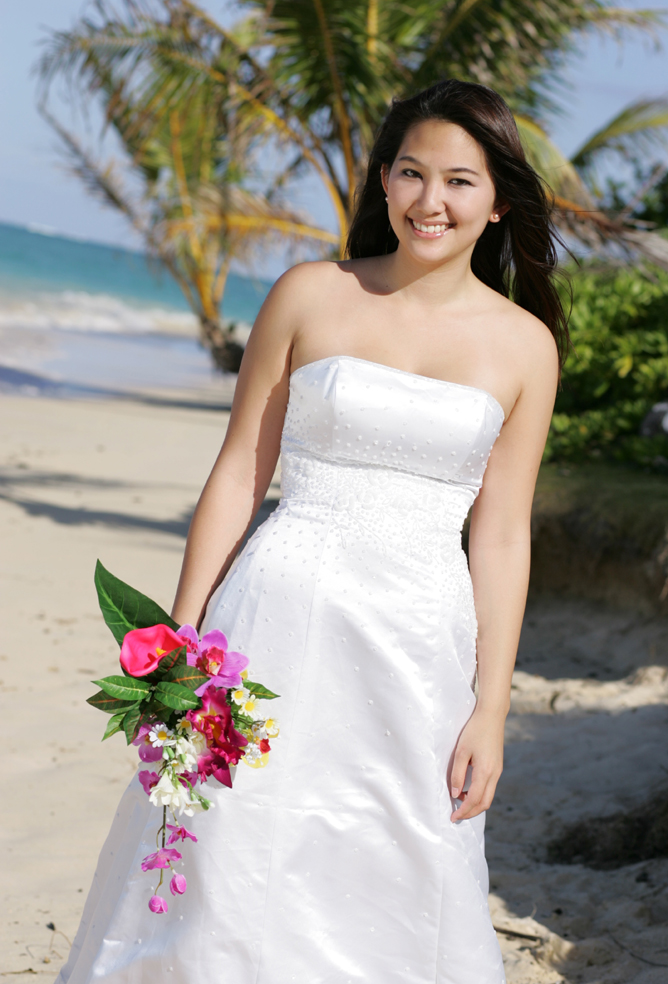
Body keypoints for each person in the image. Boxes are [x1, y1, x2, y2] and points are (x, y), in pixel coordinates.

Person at [56, 79, 567, 984]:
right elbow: (238, 475)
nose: (430, 201)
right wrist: (175, 640)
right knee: (230, 844)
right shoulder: (308, 293)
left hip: (419, 636)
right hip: (276, 614)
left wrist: (491, 705)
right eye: (410, 173)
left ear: (497, 205)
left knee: (399, 851)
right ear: (381, 181)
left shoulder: (525, 345)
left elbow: (500, 536)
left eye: (459, 181)